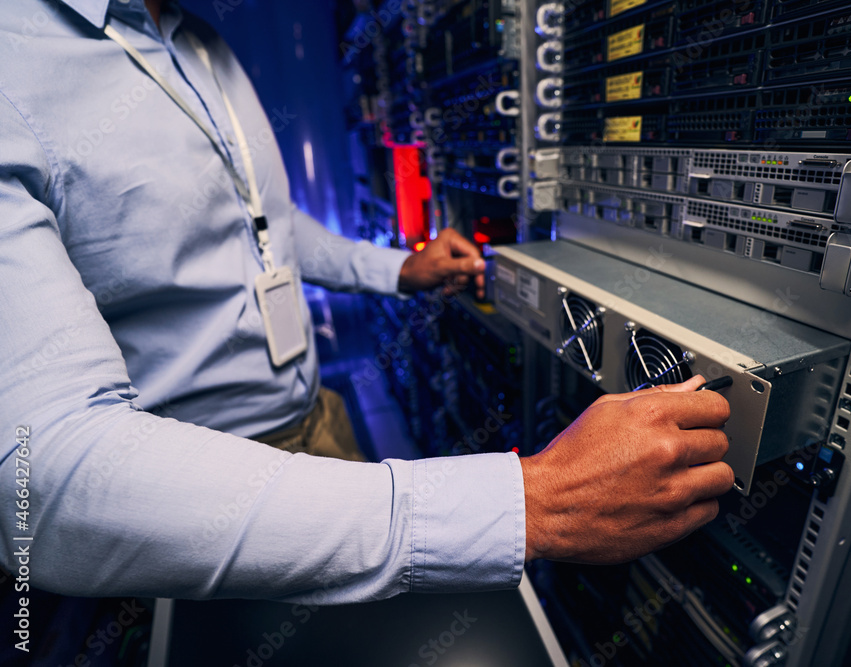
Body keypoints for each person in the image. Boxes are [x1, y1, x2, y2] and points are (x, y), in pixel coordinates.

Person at [0, 0, 734, 608]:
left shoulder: (198, 41)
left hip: (316, 417)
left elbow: (264, 224)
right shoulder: (15, 64)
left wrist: (396, 268)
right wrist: (525, 501)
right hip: (195, 495)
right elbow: (41, 474)